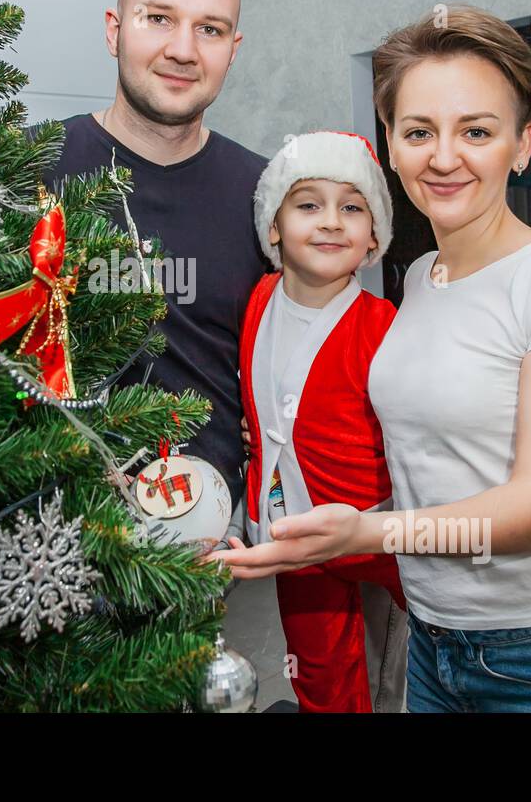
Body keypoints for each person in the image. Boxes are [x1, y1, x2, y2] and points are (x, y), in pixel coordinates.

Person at [208, 4, 531, 713]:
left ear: (523, 144)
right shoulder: (418, 282)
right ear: (391, 145)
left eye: (476, 131)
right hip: (433, 644)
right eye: (419, 132)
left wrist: (367, 532)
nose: (443, 158)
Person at [39, 0, 270, 518]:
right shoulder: (30, 167)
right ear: (115, 30)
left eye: (210, 29)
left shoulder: (270, 193)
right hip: (43, 534)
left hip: (207, 546)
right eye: (159, 18)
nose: (183, 49)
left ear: (233, 49)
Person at [220, 130, 407, 712]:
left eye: (352, 208)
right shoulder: (256, 300)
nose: (331, 222)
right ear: (274, 227)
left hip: (377, 530)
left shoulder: (386, 326)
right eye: (308, 204)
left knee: (415, 649)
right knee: (319, 669)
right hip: (290, 529)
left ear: (373, 236)